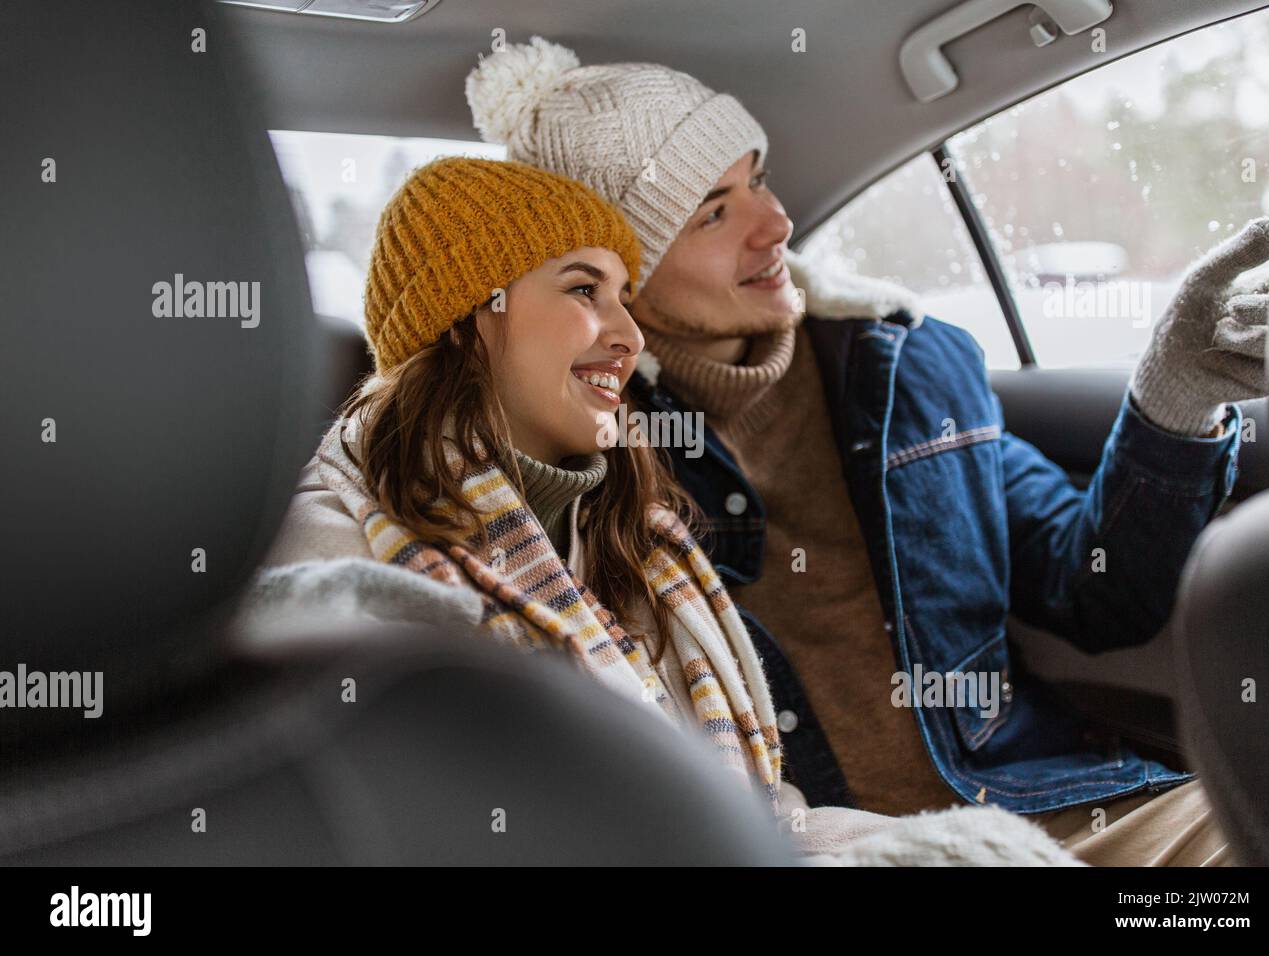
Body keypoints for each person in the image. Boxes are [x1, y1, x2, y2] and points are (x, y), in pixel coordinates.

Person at [464, 35, 1269, 866]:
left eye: (760, 181)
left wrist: (1174, 404)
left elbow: (1097, 595)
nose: (775, 225)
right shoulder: (576, 455)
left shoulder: (914, 368)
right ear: (619, 271)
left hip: (1051, 811)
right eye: (714, 211)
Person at [252, 155, 1081, 866]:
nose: (628, 334)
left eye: (623, 294)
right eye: (584, 289)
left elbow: (766, 816)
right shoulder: (333, 551)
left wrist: (937, 850)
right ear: (471, 321)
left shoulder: (632, 532)